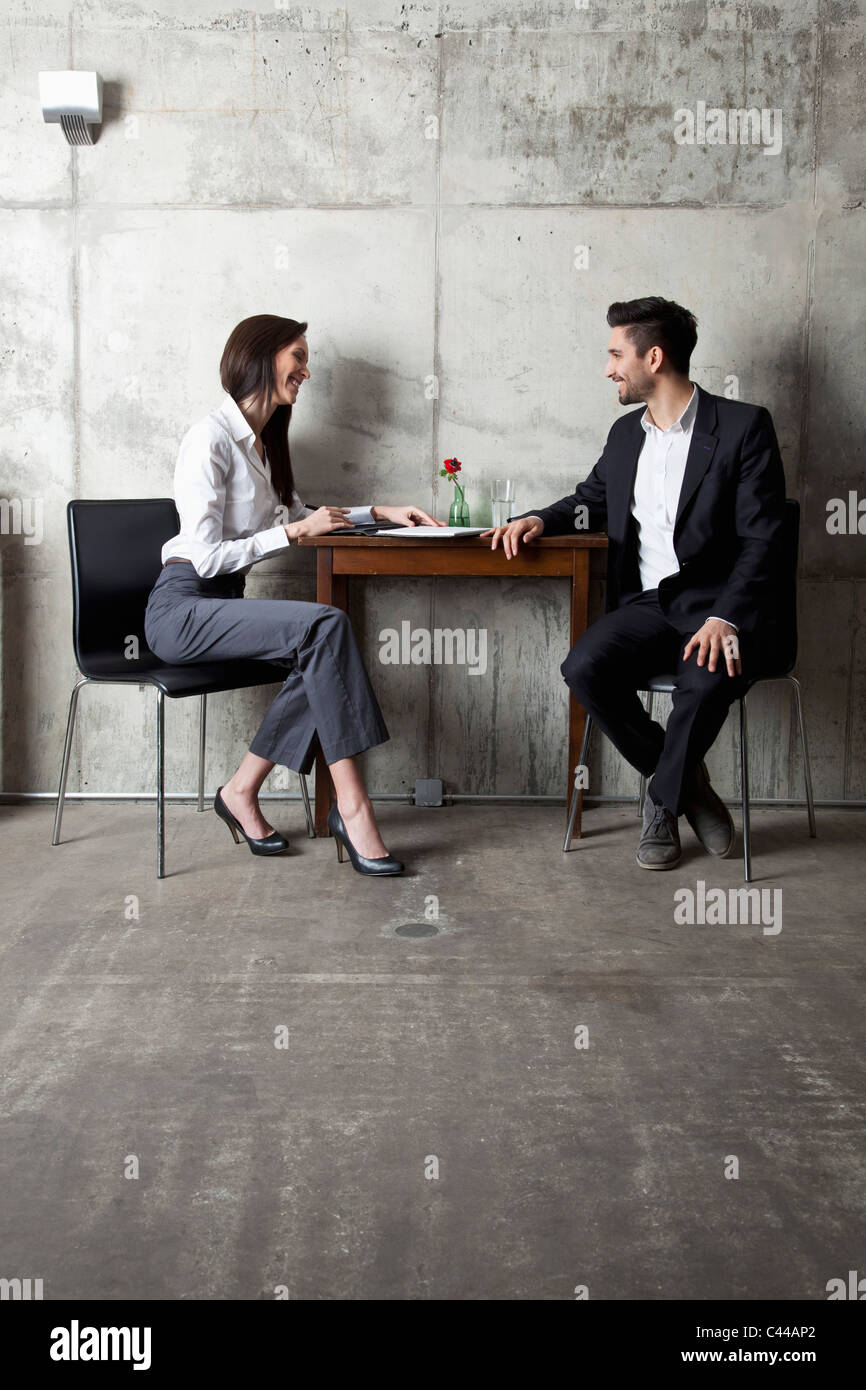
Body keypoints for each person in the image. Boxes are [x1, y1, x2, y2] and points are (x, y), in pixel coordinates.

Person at [484, 296, 786, 870]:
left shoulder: (745, 427)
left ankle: (660, 804)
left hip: (720, 610)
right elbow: (590, 500)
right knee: (583, 668)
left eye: (615, 354)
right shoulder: (627, 435)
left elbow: (763, 540)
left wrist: (725, 616)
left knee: (703, 682)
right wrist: (537, 520)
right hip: (649, 606)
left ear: (654, 356)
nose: (608, 369)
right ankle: (686, 785)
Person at [145, 313, 442, 875]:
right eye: (298, 357)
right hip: (182, 609)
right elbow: (207, 555)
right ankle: (353, 809)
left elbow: (301, 514)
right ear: (259, 357)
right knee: (326, 627)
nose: (307, 370)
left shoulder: (264, 443)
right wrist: (291, 533)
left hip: (222, 605)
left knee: (320, 656)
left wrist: (380, 512)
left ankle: (240, 791)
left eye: (306, 359)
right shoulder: (208, 438)